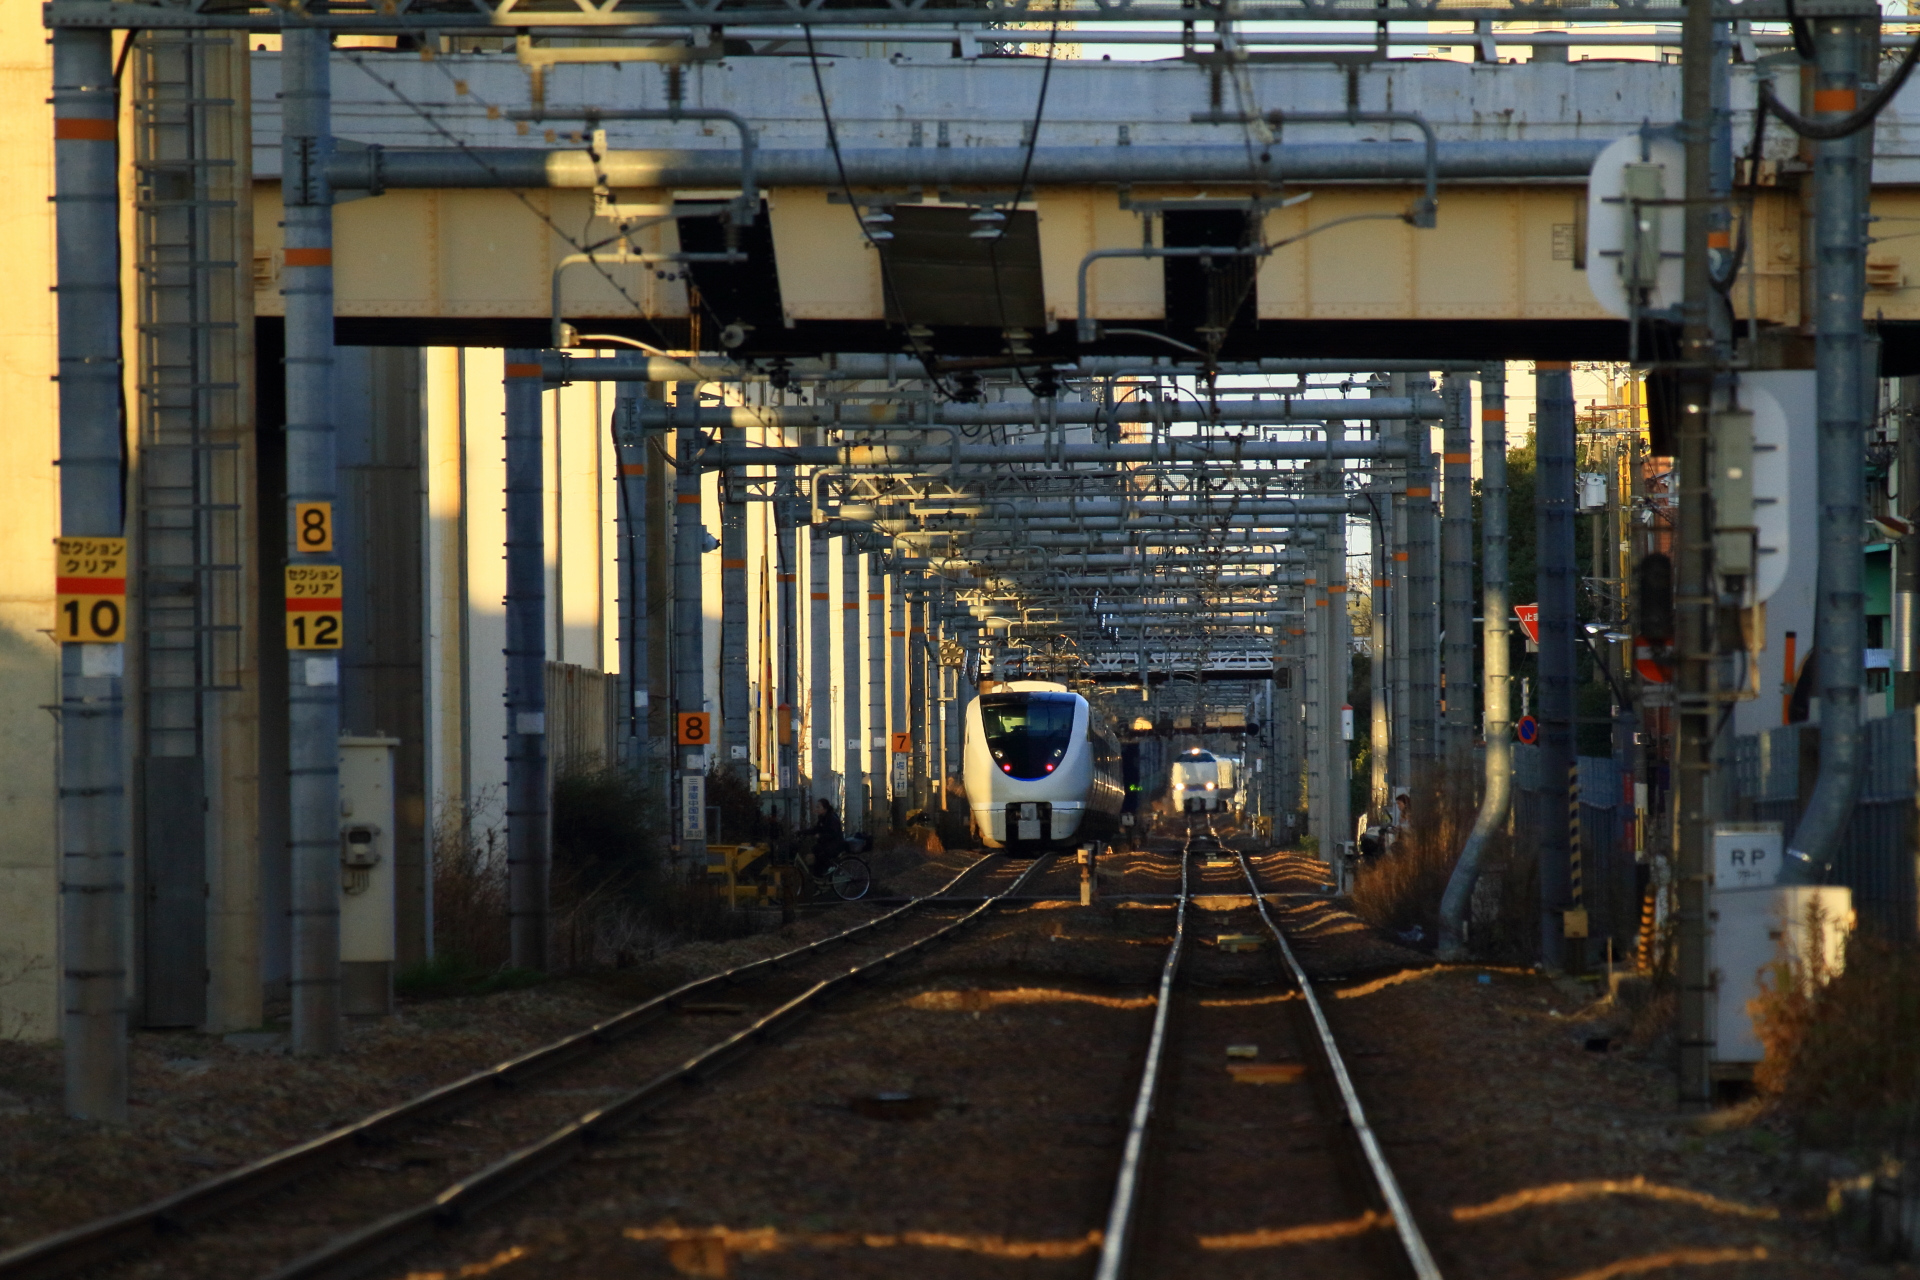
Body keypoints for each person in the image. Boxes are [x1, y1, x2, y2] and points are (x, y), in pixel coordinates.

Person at [810, 799, 845, 874]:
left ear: (825, 808)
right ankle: (821, 875)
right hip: (829, 843)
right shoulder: (822, 817)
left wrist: (821, 836)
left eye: (818, 807)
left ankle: (830, 869)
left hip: (836, 844)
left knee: (820, 853)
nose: (816, 809)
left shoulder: (831, 818)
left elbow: (833, 834)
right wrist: (802, 832)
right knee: (815, 850)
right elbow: (816, 829)